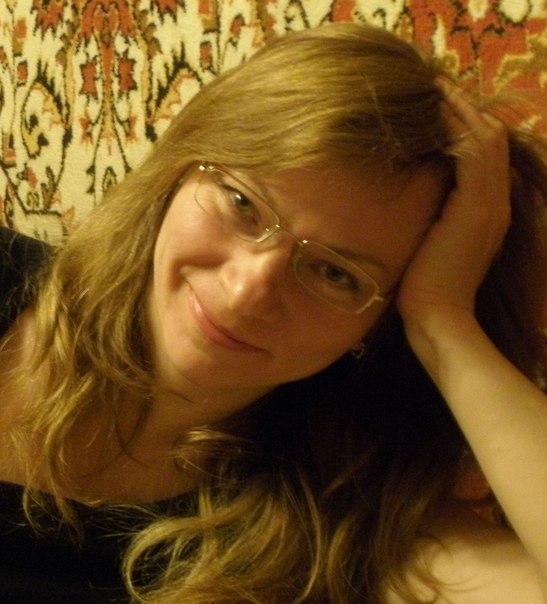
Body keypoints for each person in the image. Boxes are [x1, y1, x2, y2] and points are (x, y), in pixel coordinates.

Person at [0, 21, 547, 604]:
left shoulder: (339, 519)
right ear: (180, 170)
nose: (247, 292)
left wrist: (443, 320)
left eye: (336, 274)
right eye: (243, 204)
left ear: (380, 322)